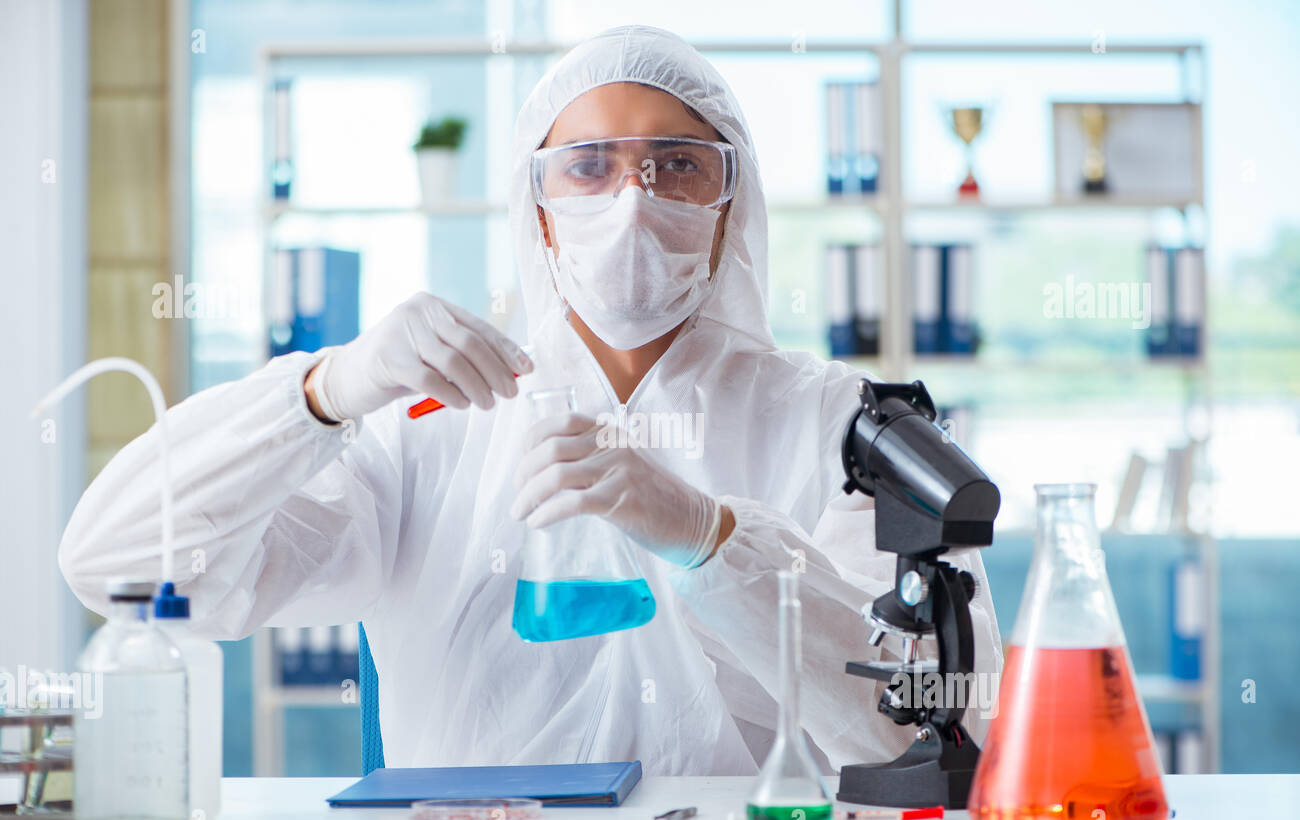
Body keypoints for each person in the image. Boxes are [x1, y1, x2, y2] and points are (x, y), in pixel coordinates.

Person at [60, 25, 1002, 776]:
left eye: (677, 164)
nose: (633, 201)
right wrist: (321, 393)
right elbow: (112, 563)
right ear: (540, 208)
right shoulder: (429, 423)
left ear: (729, 201)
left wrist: (715, 539)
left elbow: (940, 728)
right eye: (589, 165)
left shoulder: (841, 424)